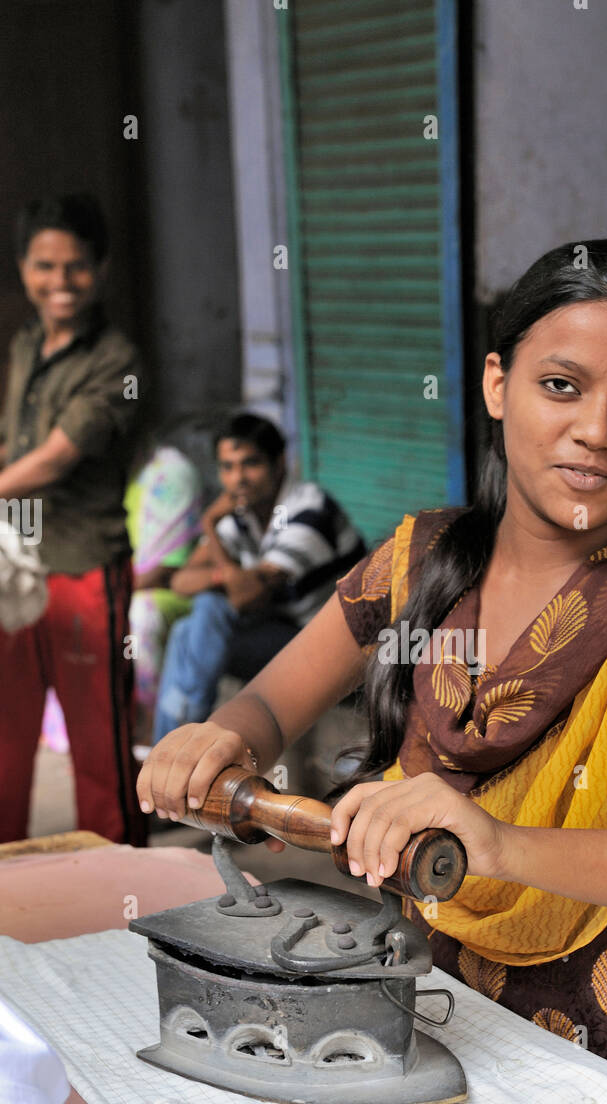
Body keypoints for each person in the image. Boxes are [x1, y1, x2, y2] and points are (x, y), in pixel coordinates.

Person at [138, 241, 607, 1104]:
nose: (596, 430)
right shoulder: (420, 561)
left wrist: (497, 843)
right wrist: (218, 736)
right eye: (561, 385)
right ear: (496, 383)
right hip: (436, 1025)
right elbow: (270, 702)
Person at [0, 193, 145, 845]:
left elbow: (55, 460)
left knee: (99, 749)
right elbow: (19, 447)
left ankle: (121, 897)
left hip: (85, 569)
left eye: (76, 266)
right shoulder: (26, 344)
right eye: (44, 266)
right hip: (18, 567)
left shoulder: (115, 360)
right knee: (6, 734)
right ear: (23, 268)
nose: (60, 282)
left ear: (102, 268)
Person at [152, 412, 365, 743]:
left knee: (205, 617)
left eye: (250, 464)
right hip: (286, 632)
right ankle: (174, 741)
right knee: (193, 624)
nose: (238, 478)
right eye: (227, 467)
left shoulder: (309, 512)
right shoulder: (243, 515)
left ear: (279, 463)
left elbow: (244, 597)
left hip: (336, 644)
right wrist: (224, 572)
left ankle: (177, 741)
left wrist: (209, 524)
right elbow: (181, 581)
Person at [125, 438, 204, 746]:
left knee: (138, 618)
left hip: (157, 591)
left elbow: (167, 569)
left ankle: (147, 736)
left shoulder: (170, 473)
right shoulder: (100, 473)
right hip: (120, 584)